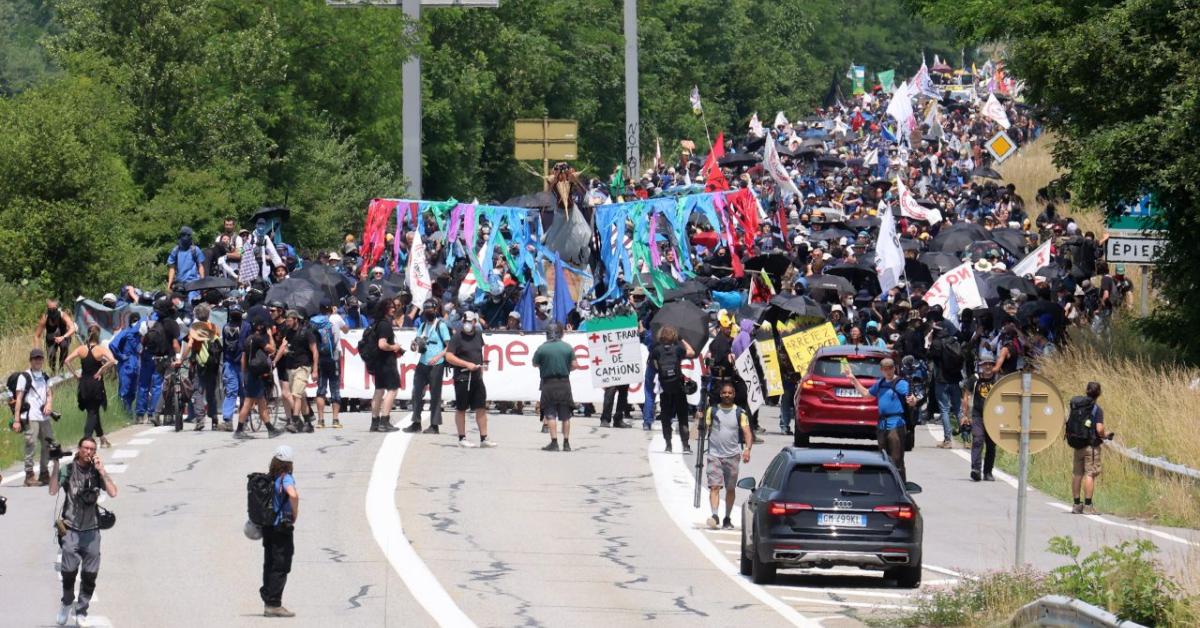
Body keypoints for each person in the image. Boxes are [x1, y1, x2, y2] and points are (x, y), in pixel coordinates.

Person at [49, 436, 117, 627]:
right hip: (71, 529)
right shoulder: (69, 470)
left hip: (92, 531)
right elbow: (53, 490)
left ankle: (82, 610)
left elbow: (113, 492)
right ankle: (66, 602)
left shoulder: (96, 472)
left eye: (92, 449)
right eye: (85, 448)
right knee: (68, 573)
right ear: (79, 449)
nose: (88, 452)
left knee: (90, 575)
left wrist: (102, 471)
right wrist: (55, 465)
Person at [843, 357, 916, 480]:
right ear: (881, 370)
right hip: (882, 424)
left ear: (894, 368)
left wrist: (912, 400)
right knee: (883, 459)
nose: (888, 371)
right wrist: (853, 379)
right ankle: (886, 485)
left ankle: (900, 487)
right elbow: (866, 394)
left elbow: (912, 399)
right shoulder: (881, 383)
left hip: (896, 424)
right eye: (885, 369)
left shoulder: (900, 383)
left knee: (896, 459)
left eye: (890, 368)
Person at [698, 382, 752, 530]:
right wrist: (699, 419)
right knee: (714, 486)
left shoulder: (740, 413)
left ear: (733, 395)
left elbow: (747, 433)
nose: (727, 395)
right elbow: (699, 432)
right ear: (720, 394)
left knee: (730, 489)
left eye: (730, 393)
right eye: (724, 393)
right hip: (714, 455)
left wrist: (747, 449)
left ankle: (727, 518)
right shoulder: (712, 410)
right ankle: (715, 515)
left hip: (733, 456)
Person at [444, 311, 496, 448]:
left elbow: (479, 352)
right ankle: (462, 437)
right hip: (463, 377)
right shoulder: (457, 337)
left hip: (477, 377)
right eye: (465, 321)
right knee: (461, 408)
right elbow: (449, 356)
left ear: (475, 322)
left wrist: (481, 368)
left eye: (470, 321)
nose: (468, 324)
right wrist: (466, 364)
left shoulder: (478, 334)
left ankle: (484, 438)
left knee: (481, 407)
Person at [260, 445, 299, 618]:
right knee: (281, 564)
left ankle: (268, 595)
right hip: (281, 527)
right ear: (289, 463)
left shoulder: (271, 477)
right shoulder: (286, 478)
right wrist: (294, 514)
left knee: (269, 562)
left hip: (267, 526)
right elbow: (293, 495)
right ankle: (273, 604)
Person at [62, 326, 116, 447]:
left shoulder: (81, 349)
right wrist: (101, 369)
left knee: (92, 411)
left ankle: (102, 439)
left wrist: (75, 374)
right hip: (95, 383)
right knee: (93, 412)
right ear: (98, 335)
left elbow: (66, 361)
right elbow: (112, 360)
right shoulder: (100, 349)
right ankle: (86, 439)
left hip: (84, 383)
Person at [403, 299, 450, 434]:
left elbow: (449, 346)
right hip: (423, 363)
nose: (428, 313)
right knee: (416, 392)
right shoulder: (422, 326)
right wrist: (414, 345)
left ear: (435, 310)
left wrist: (438, 357)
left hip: (436, 364)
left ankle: (434, 426)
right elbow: (416, 344)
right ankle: (416, 423)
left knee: (435, 394)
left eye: (430, 310)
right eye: (426, 311)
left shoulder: (441, 325)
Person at [12, 348, 55, 487]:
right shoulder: (24, 377)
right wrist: (17, 420)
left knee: (48, 444)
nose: (38, 361)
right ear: (30, 360)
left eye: (40, 358)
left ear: (43, 360)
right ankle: (29, 475)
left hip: (44, 417)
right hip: (30, 416)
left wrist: (49, 404)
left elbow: (49, 394)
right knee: (31, 444)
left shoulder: (45, 376)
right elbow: (18, 399)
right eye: (35, 358)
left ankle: (44, 473)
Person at [135, 298, 181, 426]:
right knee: (164, 387)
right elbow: (176, 343)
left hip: (154, 358)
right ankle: (158, 414)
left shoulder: (152, 323)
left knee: (144, 385)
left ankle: (140, 414)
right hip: (168, 359)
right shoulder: (172, 324)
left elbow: (142, 341)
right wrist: (178, 357)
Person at [651, 325, 696, 454]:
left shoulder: (656, 350)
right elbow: (692, 352)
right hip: (678, 386)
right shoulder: (678, 349)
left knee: (666, 416)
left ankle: (668, 445)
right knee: (682, 416)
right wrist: (682, 339)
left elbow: (654, 366)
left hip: (665, 387)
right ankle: (686, 446)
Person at [234, 317, 282, 439]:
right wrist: (271, 336)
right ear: (261, 327)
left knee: (261, 403)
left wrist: (244, 373)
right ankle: (239, 430)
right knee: (248, 403)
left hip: (250, 374)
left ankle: (270, 429)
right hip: (255, 376)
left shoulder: (247, 340)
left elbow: (243, 359)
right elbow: (272, 349)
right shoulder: (258, 338)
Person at [532, 322, 577, 451]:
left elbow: (535, 364)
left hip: (548, 384)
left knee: (550, 414)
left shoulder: (542, 348)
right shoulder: (568, 347)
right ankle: (567, 443)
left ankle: (554, 442)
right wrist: (565, 369)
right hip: (564, 383)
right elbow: (574, 364)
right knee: (566, 416)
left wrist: (546, 365)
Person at [1070, 382, 1109, 515]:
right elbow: (1099, 429)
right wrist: (1105, 436)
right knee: (1089, 474)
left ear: (1086, 391)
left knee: (1077, 474)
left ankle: (1076, 505)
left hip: (1077, 445)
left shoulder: (1077, 406)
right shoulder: (1096, 409)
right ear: (1099, 393)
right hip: (1091, 446)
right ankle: (1087, 506)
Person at [182, 304, 222, 432]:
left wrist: (182, 359)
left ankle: (200, 419)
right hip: (213, 364)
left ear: (196, 315)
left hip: (200, 364)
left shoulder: (195, 329)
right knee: (211, 392)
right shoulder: (214, 327)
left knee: (197, 391)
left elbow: (189, 345)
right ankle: (214, 419)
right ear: (208, 315)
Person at [960, 349, 998, 482]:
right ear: (980, 365)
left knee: (991, 445)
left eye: (990, 364)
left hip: (994, 417)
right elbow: (966, 396)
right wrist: (965, 415)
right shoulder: (974, 379)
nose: (988, 366)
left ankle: (988, 472)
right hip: (977, 415)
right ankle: (976, 469)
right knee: (977, 440)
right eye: (985, 364)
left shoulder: (998, 379)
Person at [277, 310, 318, 433]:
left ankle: (295, 422)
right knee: (301, 396)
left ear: (295, 319)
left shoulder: (307, 332)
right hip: (291, 367)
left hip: (303, 367)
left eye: (289, 320)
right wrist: (276, 359)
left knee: (295, 395)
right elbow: (284, 347)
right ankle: (308, 423)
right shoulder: (288, 332)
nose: (287, 323)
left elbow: (315, 351)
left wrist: (315, 370)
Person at [310, 300, 346, 429]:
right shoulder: (334, 321)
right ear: (331, 309)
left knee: (321, 389)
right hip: (333, 358)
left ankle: (320, 420)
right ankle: (335, 420)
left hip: (319, 359)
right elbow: (342, 334)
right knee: (335, 389)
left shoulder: (313, 322)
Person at [368, 300, 403, 433]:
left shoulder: (376, 324)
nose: (394, 309)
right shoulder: (384, 325)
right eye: (391, 307)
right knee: (392, 390)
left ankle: (374, 422)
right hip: (386, 363)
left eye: (394, 307)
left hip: (378, 362)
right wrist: (395, 347)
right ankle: (384, 421)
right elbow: (382, 344)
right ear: (384, 309)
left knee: (379, 390)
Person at [929, 322, 964, 449]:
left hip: (942, 380)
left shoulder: (936, 343)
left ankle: (948, 440)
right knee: (958, 409)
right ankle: (967, 439)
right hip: (955, 379)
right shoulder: (954, 341)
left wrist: (929, 343)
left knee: (944, 409)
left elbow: (931, 357)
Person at [107, 313, 142, 415]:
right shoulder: (126, 332)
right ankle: (122, 413)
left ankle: (129, 412)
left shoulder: (139, 334)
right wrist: (121, 356)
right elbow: (112, 345)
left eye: (137, 320)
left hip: (136, 363)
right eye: (134, 320)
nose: (136, 322)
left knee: (133, 391)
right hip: (126, 364)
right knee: (124, 391)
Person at [221, 305, 247, 430]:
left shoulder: (225, 327)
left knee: (232, 392)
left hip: (232, 363)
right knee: (240, 392)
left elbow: (224, 347)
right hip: (239, 363)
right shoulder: (247, 326)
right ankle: (239, 420)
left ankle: (230, 420)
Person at [34, 299, 77, 374]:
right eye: (50, 309)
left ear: (57, 308)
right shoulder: (45, 317)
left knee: (64, 346)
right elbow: (37, 335)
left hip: (63, 336)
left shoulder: (63, 315)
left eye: (54, 309)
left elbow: (72, 328)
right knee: (51, 357)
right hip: (51, 338)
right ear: (47, 309)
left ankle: (61, 368)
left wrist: (63, 337)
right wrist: (37, 351)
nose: (52, 311)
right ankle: (53, 372)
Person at [167, 226, 206, 299]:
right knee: (177, 304)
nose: (185, 237)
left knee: (190, 301)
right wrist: (169, 285)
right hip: (179, 283)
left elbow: (200, 266)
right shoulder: (176, 250)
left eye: (188, 235)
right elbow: (172, 268)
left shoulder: (195, 250)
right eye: (183, 235)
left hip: (193, 283)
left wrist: (202, 283)